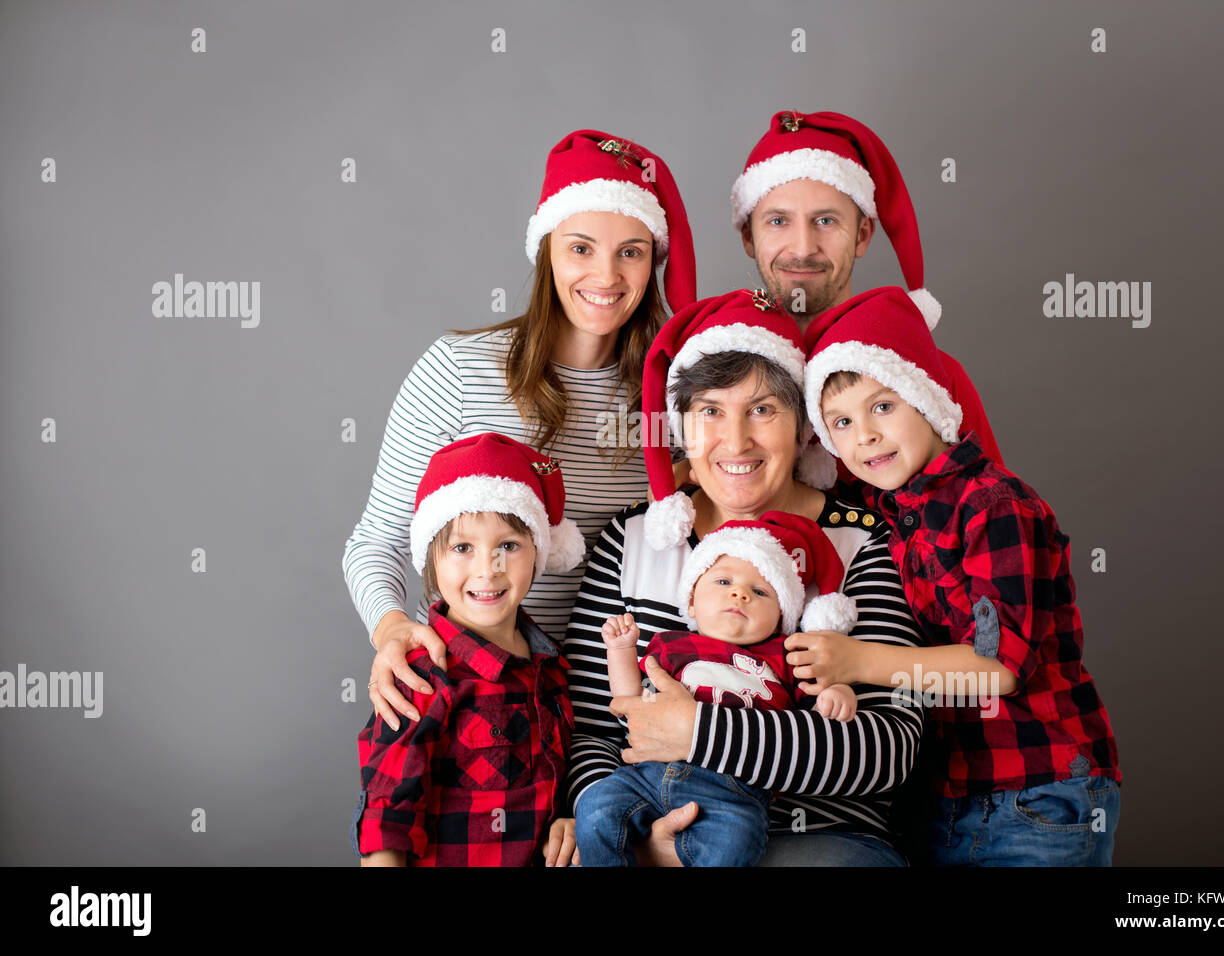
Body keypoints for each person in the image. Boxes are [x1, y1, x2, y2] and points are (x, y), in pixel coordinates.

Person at [342, 129, 696, 746]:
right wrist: (391, 625)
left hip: (612, 710)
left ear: (654, 260)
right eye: (581, 247)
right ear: (547, 251)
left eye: (631, 252)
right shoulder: (458, 370)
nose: (606, 275)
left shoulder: (675, 394)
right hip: (480, 702)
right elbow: (374, 541)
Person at [563, 288, 924, 867]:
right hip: (647, 828)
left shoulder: (860, 543)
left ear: (803, 425)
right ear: (681, 424)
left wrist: (702, 734)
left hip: (816, 839)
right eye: (710, 411)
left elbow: (888, 747)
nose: (735, 441)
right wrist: (640, 841)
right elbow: (591, 727)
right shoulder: (629, 543)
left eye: (762, 410)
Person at [800, 286, 1121, 865]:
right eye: (840, 422)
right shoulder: (894, 512)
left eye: (883, 406)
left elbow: (998, 666)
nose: (864, 435)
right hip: (945, 794)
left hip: (1038, 787)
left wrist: (855, 662)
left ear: (926, 398)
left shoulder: (994, 505)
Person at [575, 511, 859, 866]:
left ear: (782, 616)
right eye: (723, 583)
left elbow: (820, 696)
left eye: (760, 591)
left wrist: (837, 693)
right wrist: (619, 650)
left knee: (734, 843)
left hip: (733, 790)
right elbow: (628, 701)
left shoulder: (786, 655)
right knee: (596, 808)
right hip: (647, 775)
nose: (739, 594)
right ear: (692, 601)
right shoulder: (671, 644)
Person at [352, 433, 584, 866]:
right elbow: (386, 824)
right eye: (462, 548)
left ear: (538, 552)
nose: (487, 569)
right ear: (431, 560)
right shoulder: (420, 676)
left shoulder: (550, 666)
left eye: (509, 546)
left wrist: (573, 817)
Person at [730, 108, 1003, 465]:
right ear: (749, 237)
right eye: (778, 221)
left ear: (861, 236)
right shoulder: (717, 383)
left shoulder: (929, 378)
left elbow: (995, 510)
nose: (802, 248)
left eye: (826, 221)